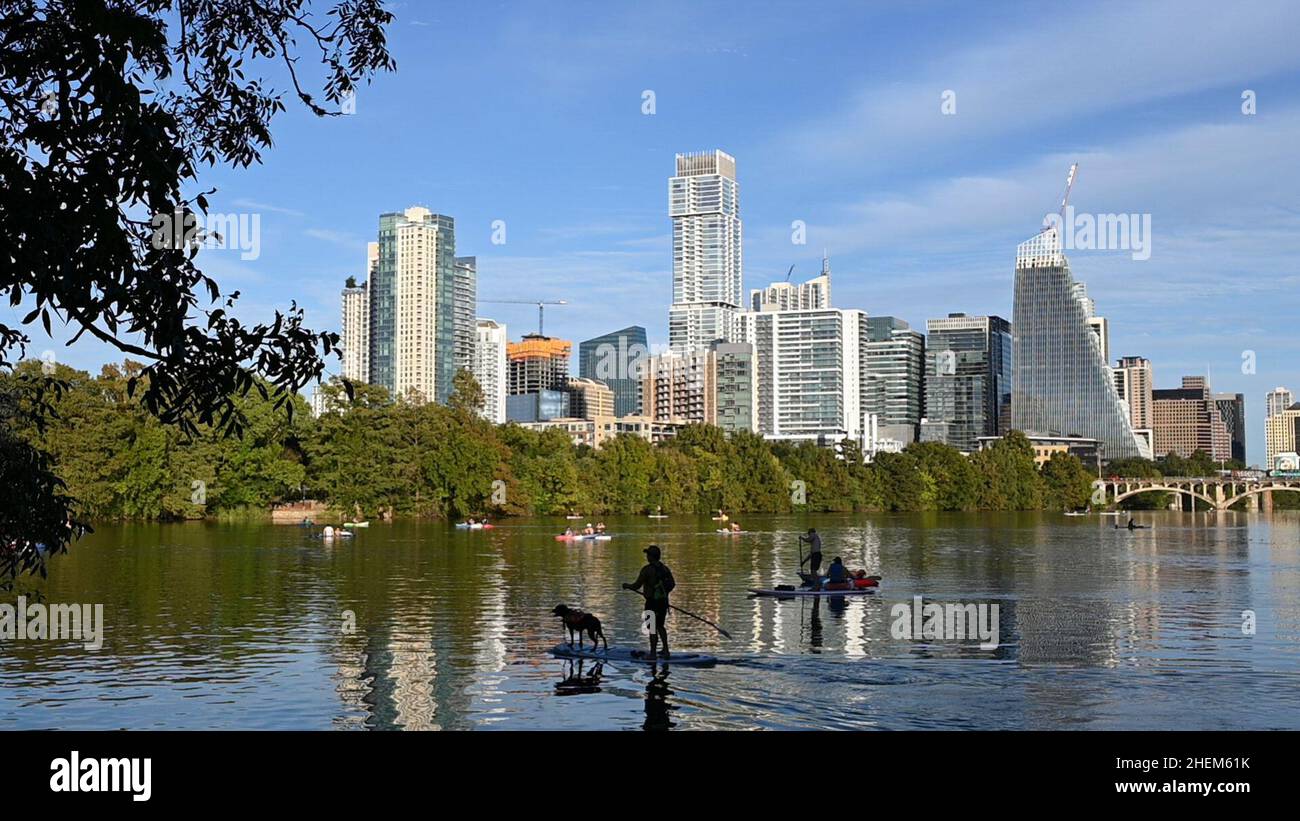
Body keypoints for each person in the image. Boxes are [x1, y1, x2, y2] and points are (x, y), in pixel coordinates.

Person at [623, 545, 675, 659]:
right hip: (663, 603)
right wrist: (663, 594)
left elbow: (636, 585)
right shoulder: (665, 569)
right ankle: (666, 651)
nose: (646, 556)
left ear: (651, 557)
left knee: (652, 628)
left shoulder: (647, 570)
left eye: (648, 554)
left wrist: (627, 586)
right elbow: (672, 584)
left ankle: (652, 654)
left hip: (651, 603)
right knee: (661, 626)